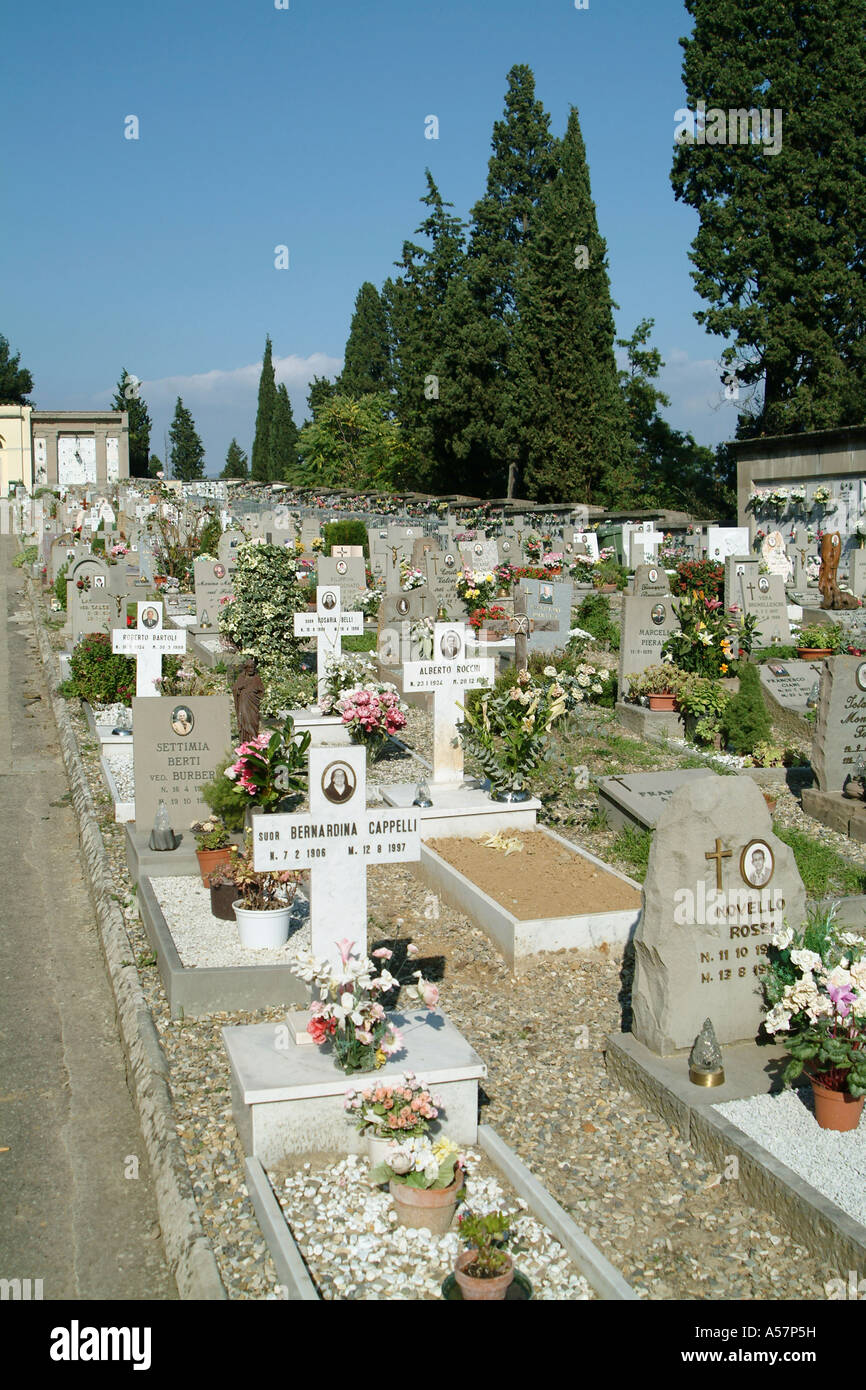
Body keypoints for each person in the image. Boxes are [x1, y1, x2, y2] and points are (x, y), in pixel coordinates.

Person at [232, 658, 265, 744]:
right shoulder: (241, 677)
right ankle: (245, 741)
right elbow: (235, 689)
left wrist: (255, 693)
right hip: (244, 702)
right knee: (245, 720)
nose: (251, 670)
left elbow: (261, 690)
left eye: (253, 668)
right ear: (245, 668)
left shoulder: (257, 678)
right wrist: (239, 689)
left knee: (254, 720)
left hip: (253, 703)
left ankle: (254, 740)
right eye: (249, 668)